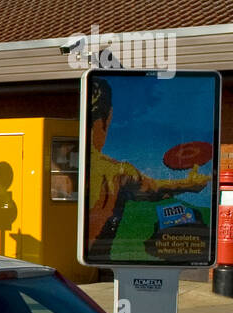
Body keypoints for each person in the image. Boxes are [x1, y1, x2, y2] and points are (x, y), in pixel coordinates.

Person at [86, 78, 209, 260]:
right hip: (98, 259)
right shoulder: (116, 172)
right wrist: (190, 184)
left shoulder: (68, 162)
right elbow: (155, 189)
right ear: (107, 118)